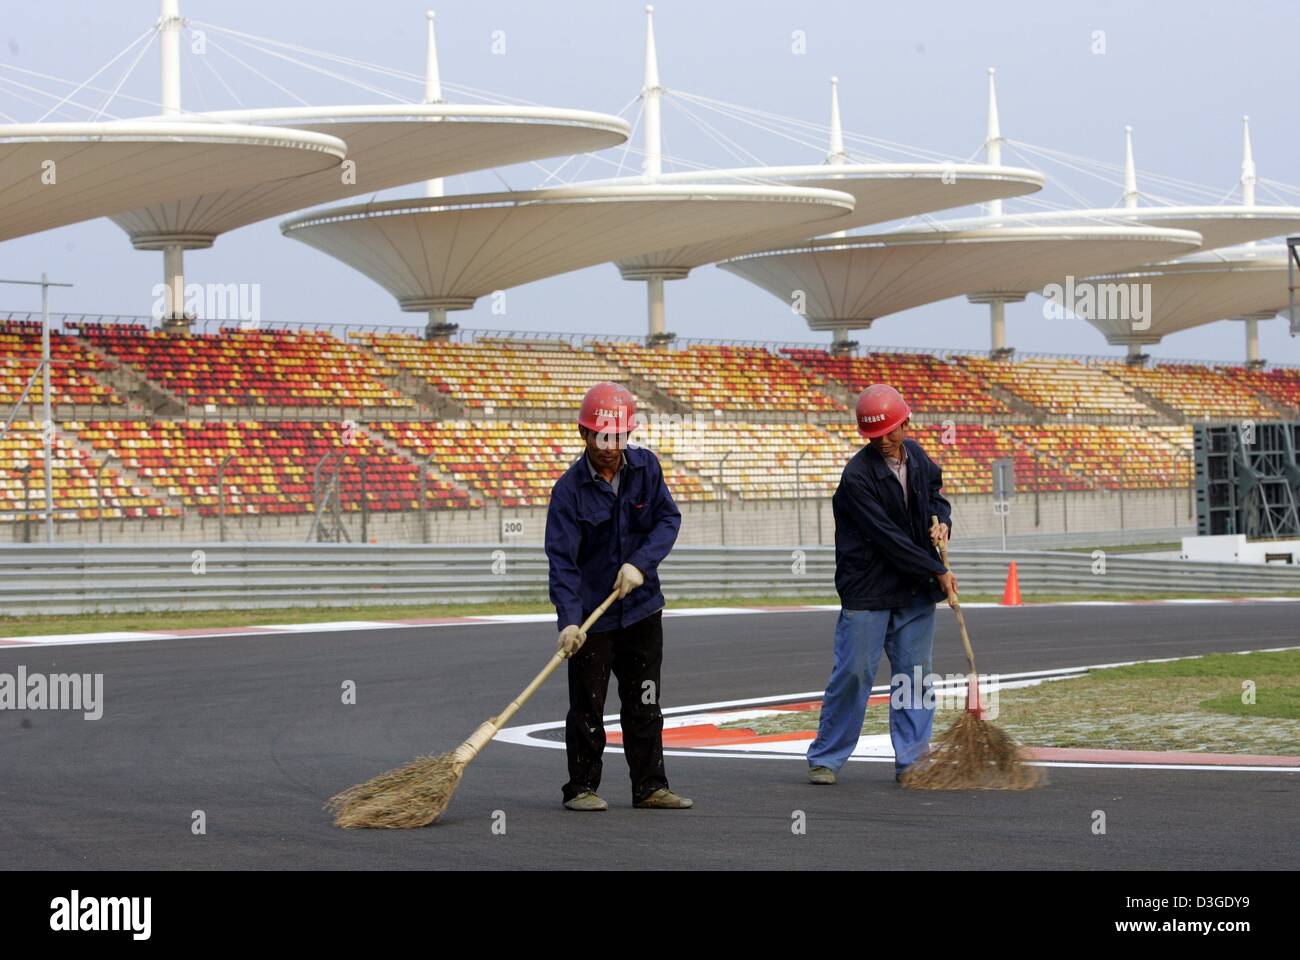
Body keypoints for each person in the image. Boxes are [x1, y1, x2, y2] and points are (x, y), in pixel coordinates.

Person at [544, 381, 693, 811]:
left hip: (642, 610)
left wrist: (640, 564)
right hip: (594, 617)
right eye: (599, 436)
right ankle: (581, 788)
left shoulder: (647, 469)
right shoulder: (568, 492)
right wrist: (570, 621)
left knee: (645, 699)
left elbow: (668, 520)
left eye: (617, 436)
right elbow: (563, 562)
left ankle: (650, 786)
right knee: (587, 706)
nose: (609, 446)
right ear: (583, 434)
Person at [806, 383, 957, 785]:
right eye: (875, 435)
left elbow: (936, 495)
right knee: (854, 673)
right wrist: (937, 571)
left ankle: (913, 760)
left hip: (914, 591)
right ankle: (826, 757)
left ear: (906, 423)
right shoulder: (857, 477)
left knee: (914, 676)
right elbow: (887, 537)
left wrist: (943, 521)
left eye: (890, 432)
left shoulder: (920, 458)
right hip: (868, 589)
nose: (884, 441)